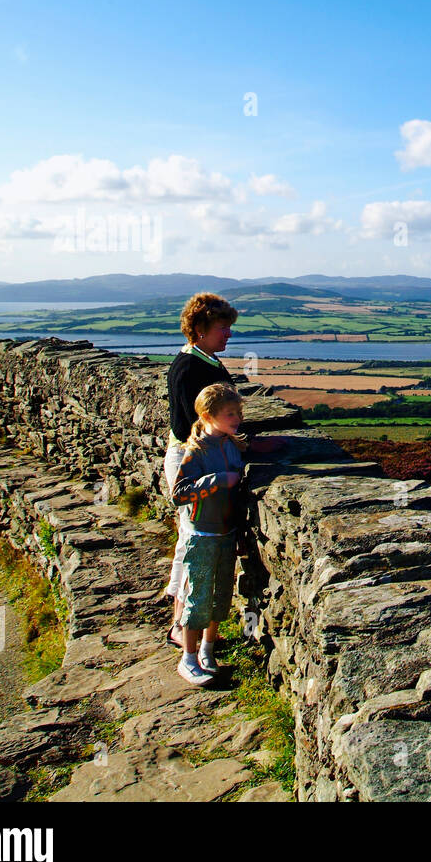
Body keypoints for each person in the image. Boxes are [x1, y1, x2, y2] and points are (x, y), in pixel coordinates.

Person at [163, 292, 284, 648]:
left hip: (203, 459)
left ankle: (181, 624)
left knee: (190, 543)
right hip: (194, 461)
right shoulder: (189, 368)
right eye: (222, 328)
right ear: (199, 329)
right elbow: (194, 425)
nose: (229, 334)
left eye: (229, 328)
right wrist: (244, 445)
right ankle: (182, 630)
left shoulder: (205, 361)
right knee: (194, 545)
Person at [169, 383, 249, 686]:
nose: (237, 419)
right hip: (201, 534)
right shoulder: (197, 451)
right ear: (208, 415)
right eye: (230, 414)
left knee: (219, 597)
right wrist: (216, 480)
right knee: (197, 596)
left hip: (226, 531)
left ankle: (207, 650)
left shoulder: (232, 443)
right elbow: (179, 494)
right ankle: (187, 659)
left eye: (238, 413)